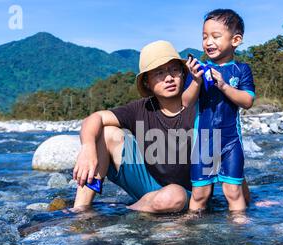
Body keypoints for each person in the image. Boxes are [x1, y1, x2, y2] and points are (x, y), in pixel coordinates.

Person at [71, 40, 197, 213]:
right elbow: (95, 117)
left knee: (173, 195)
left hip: (187, 195)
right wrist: (87, 148)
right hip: (148, 183)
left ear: (183, 73)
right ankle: (80, 210)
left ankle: (127, 210)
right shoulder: (141, 108)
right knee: (106, 133)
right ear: (147, 82)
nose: (169, 78)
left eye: (174, 70)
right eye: (159, 73)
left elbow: (225, 147)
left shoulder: (198, 108)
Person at [182, 9, 255, 213]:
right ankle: (193, 230)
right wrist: (196, 80)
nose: (208, 42)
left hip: (231, 141)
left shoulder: (242, 70)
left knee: (233, 191)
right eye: (204, 37)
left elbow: (247, 100)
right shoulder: (198, 69)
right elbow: (186, 102)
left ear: (236, 39)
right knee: (200, 194)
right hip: (204, 140)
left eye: (215, 36)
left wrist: (224, 86)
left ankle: (239, 231)